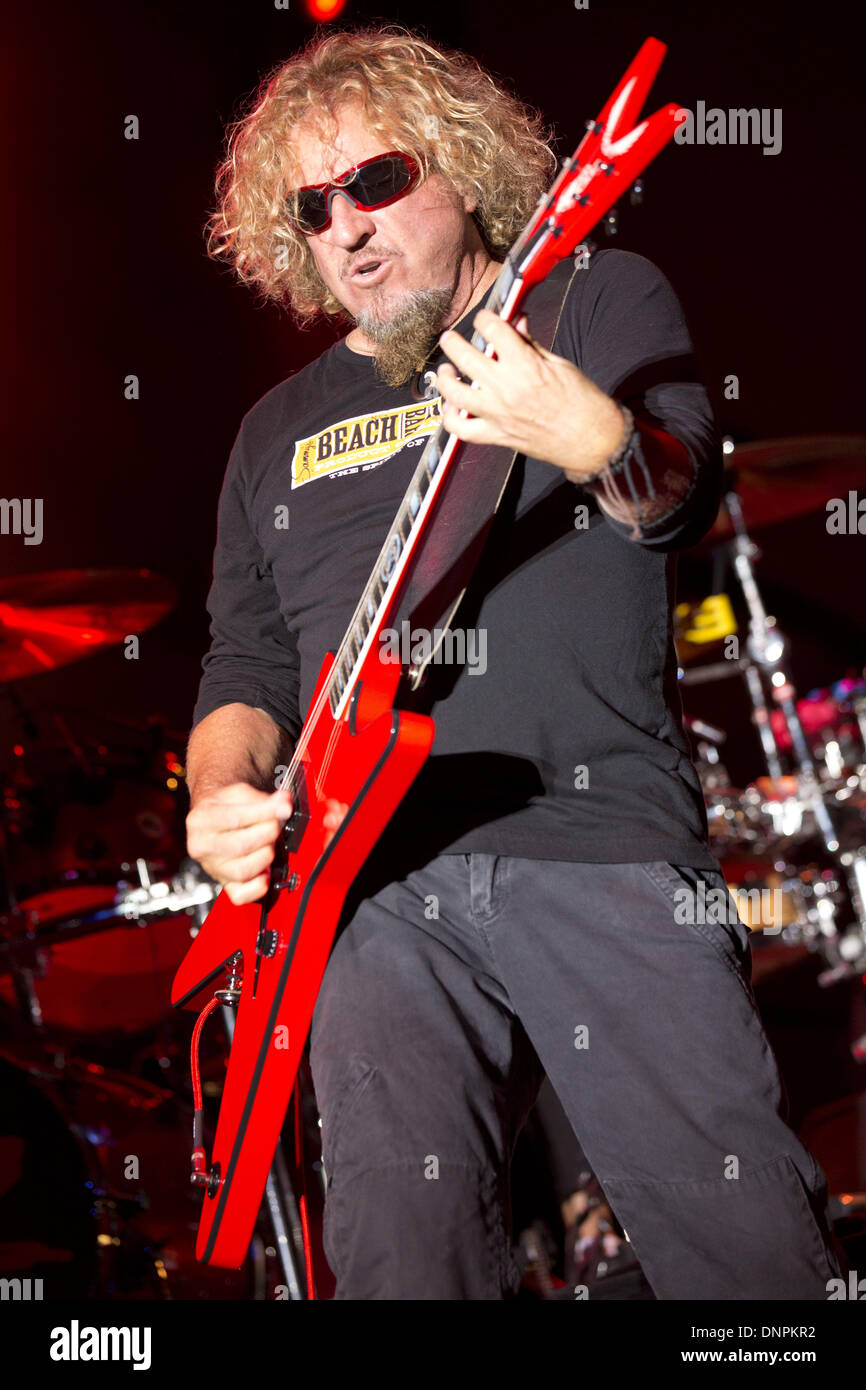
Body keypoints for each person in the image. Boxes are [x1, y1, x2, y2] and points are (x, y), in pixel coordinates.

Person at [184, 26, 842, 1299]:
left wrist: (586, 430)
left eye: (377, 182)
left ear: (467, 167)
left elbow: (672, 492)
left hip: (593, 837)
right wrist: (218, 791)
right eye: (313, 210)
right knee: (400, 1268)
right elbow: (244, 664)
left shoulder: (594, 294)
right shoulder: (273, 432)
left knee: (745, 1259)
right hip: (364, 889)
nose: (350, 230)